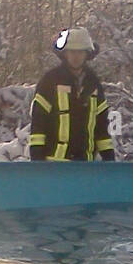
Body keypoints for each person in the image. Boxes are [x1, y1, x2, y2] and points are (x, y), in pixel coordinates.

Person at [29, 27, 116, 162]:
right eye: (72, 51)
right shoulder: (50, 81)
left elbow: (101, 128)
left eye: (80, 52)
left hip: (85, 166)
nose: (76, 56)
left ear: (87, 54)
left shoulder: (93, 84)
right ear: (65, 53)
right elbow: (38, 122)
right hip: (54, 165)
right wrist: (37, 160)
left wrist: (110, 159)